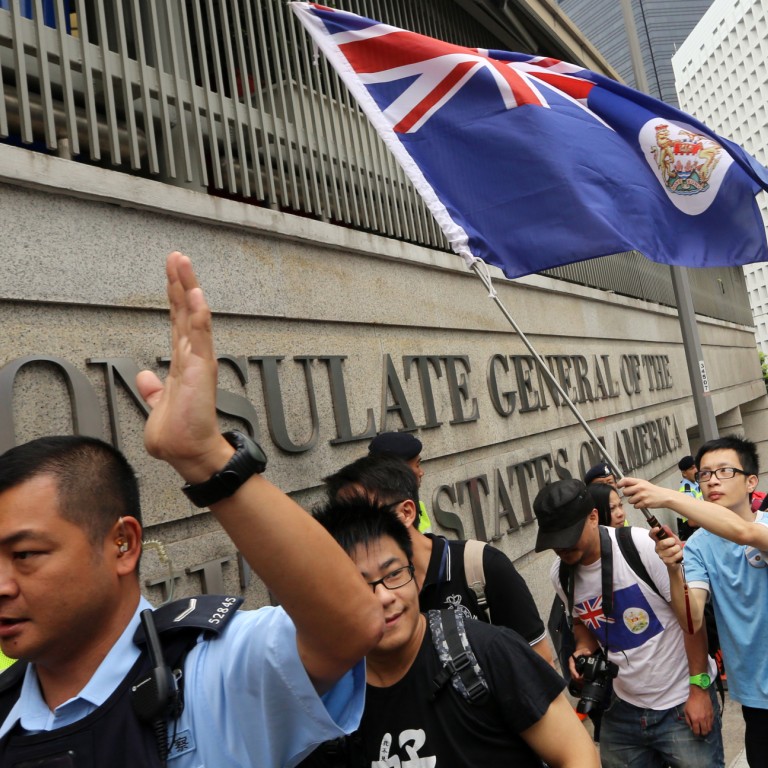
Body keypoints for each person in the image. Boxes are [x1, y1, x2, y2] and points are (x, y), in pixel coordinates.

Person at [0, 252, 383, 767]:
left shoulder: (214, 673)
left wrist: (205, 458)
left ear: (122, 544)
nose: (2, 585)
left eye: (24, 554)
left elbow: (350, 625)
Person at [311, 495, 600, 767]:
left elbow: (577, 754)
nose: (385, 596)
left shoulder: (487, 652)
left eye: (395, 573)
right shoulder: (325, 696)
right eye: (361, 585)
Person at [534, 479, 724, 768]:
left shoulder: (641, 546)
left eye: (568, 535)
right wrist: (583, 650)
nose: (561, 547)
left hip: (681, 700)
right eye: (553, 540)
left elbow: (691, 620)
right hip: (623, 708)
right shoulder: (560, 574)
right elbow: (581, 620)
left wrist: (698, 689)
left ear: (593, 517)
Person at [621, 435, 768, 768]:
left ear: (751, 482)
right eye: (704, 474)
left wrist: (667, 497)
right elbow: (691, 619)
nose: (712, 480)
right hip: (756, 700)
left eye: (724, 471)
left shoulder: (765, 524)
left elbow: (744, 533)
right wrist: (674, 568)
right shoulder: (699, 545)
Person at [324, 453, 554, 665]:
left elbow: (539, 662)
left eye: (365, 518)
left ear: (406, 512)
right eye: (344, 522)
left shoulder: (481, 565)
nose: (355, 533)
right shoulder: (359, 594)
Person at [368, 431, 432, 533]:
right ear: (399, 471)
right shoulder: (372, 519)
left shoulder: (416, 505)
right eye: (417, 465)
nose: (421, 472)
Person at [677, 455, 702, 540]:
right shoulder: (686, 491)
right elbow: (692, 522)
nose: (696, 470)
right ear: (684, 473)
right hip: (694, 533)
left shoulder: (695, 483)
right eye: (692, 468)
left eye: (696, 467)